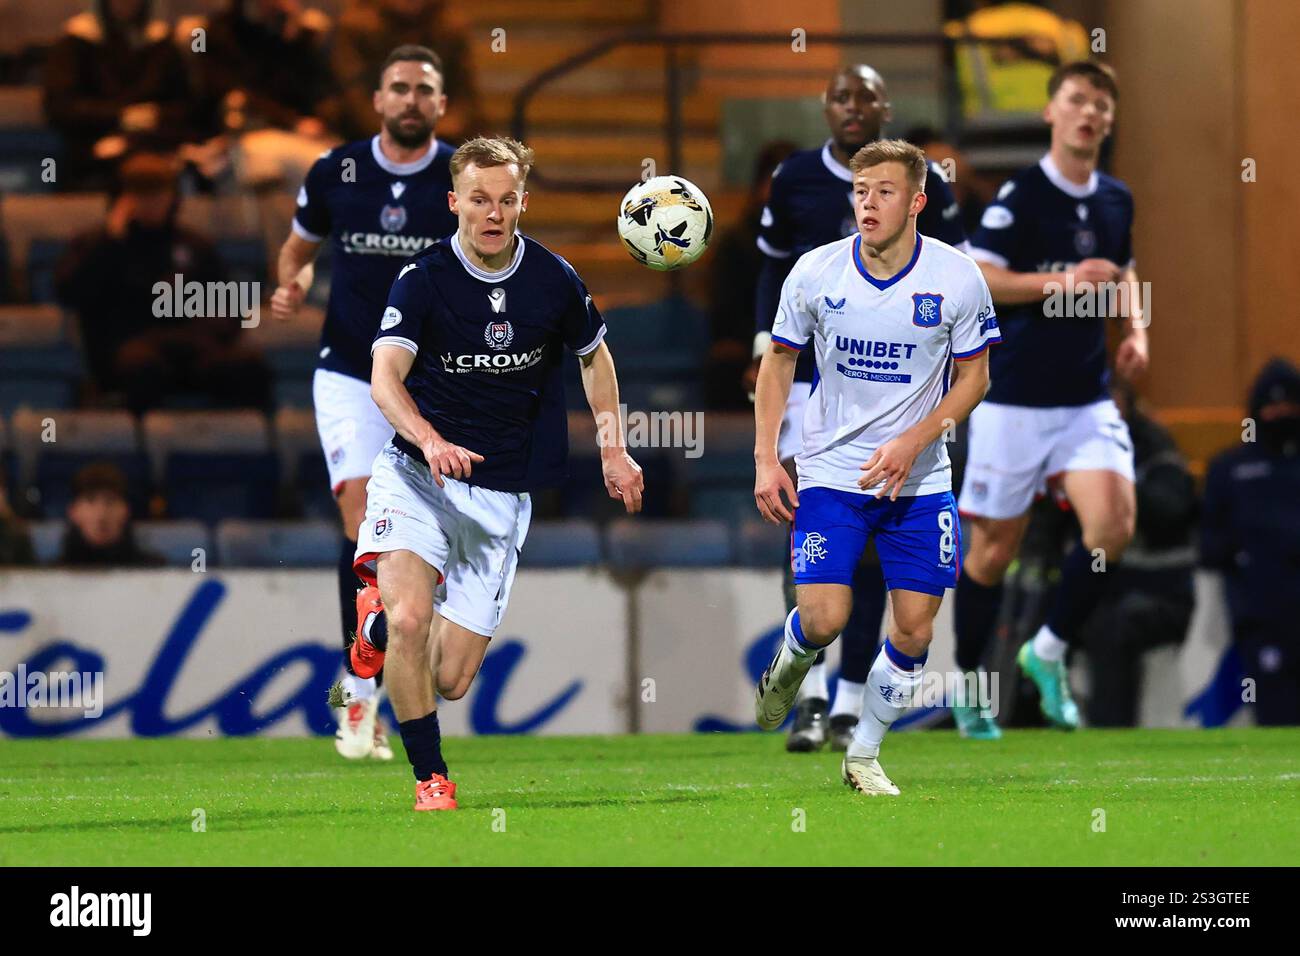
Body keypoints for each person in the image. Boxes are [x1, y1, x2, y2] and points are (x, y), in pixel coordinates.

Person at [345, 136, 645, 810]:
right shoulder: (422, 281)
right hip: (417, 477)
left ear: (522, 203)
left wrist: (611, 446)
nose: (493, 212)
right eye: (479, 199)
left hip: (502, 494)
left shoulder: (552, 278)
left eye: (507, 200)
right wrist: (429, 438)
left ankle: (375, 630)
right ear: (454, 202)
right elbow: (384, 380)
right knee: (414, 619)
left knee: (450, 678)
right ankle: (431, 778)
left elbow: (595, 358)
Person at [752, 139, 999, 796]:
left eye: (884, 192)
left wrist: (916, 439)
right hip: (832, 473)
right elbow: (776, 364)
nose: (868, 203)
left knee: (915, 630)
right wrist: (765, 459)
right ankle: (794, 655)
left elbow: (975, 379)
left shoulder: (956, 277)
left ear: (917, 201)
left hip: (920, 482)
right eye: (861, 191)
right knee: (826, 617)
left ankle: (863, 753)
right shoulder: (813, 272)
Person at [271, 45, 458, 762]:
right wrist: (291, 281)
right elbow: (296, 248)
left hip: (430, 380)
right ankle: (361, 687)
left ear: (441, 105)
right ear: (378, 100)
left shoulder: (457, 178)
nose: (411, 100)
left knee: (410, 547)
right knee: (358, 508)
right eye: (400, 88)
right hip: (350, 369)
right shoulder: (336, 171)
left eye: (425, 90)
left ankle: (357, 686)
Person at [953, 60, 1147, 736]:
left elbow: (1123, 273)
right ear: (1050, 113)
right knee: (992, 552)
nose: (1088, 113)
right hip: (1014, 399)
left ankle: (1048, 651)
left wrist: (1137, 333)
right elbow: (979, 276)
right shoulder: (1021, 195)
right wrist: (1057, 283)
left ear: (1110, 121)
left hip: (1085, 400)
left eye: (1100, 104)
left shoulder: (1117, 199)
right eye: (1076, 100)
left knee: (1113, 526)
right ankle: (972, 680)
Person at [55, 152, 272, 412]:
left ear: (172, 197)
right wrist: (111, 241)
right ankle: (142, 449)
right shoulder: (95, 245)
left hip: (192, 343)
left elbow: (228, 305)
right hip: (127, 347)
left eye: (158, 194)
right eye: (140, 195)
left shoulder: (193, 245)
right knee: (143, 368)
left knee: (246, 367)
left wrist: (209, 332)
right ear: (121, 199)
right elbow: (70, 292)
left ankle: (241, 447)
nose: (151, 203)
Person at [1080, 382, 1197, 726]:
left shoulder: (1158, 453)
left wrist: (1120, 482)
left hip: (1163, 594)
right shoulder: (1078, 456)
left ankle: (1110, 734)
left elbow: (1171, 508)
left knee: (1113, 626)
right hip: (1108, 591)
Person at [1201, 359, 1300, 726]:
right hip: (1262, 614)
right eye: (1272, 406)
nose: (1282, 414)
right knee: (1276, 713)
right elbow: (1211, 545)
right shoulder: (1230, 468)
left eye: (1290, 405)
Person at [42, 0, 201, 190]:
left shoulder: (162, 43)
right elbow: (61, 107)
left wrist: (154, 114)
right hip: (91, 145)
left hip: (157, 140)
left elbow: (188, 105)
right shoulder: (75, 43)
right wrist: (121, 115)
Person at [328, 0, 482, 143]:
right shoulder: (356, 27)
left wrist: (437, 131)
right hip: (368, 136)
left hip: (440, 137)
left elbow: (464, 98)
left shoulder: (451, 26)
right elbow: (356, 98)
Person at [59, 463, 164, 567]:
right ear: (73, 511)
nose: (101, 514)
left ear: (126, 511)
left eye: (110, 501)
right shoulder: (51, 575)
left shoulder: (154, 572)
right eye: (90, 501)